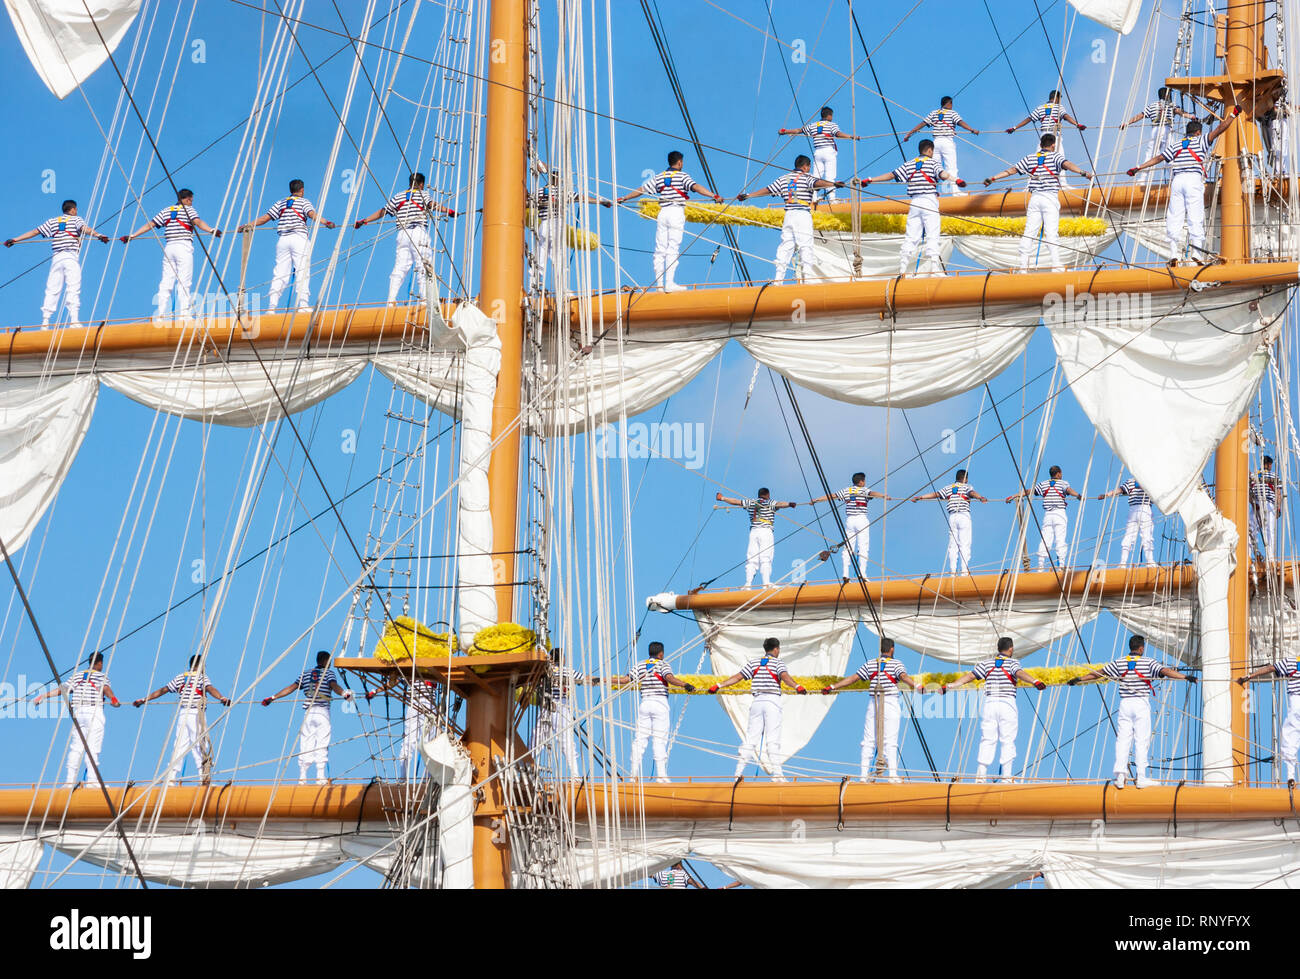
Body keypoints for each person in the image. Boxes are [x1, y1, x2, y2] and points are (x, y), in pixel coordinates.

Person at [1069, 635, 1195, 788]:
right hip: (1140, 703)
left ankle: (1120, 777)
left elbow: (1098, 673)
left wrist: (1079, 679)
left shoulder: (1119, 662)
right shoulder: (1148, 662)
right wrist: (1185, 677)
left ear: (1131, 647)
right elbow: (1165, 671)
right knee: (1141, 740)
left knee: (1123, 740)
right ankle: (1141, 777)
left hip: (1125, 704)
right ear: (1141, 648)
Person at [1127, 108, 1241, 264]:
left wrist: (1139, 167)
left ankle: (1174, 252)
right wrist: (1233, 114)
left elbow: (1159, 158)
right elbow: (1220, 129)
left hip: (1177, 181)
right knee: (1195, 216)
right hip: (1193, 180)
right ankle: (1196, 252)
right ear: (1198, 132)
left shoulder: (1176, 145)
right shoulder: (1202, 140)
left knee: (1175, 216)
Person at [613, 150, 723, 293]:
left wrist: (625, 198)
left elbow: (642, 189)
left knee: (660, 249)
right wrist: (713, 195)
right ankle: (669, 283)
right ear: (679, 162)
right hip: (676, 212)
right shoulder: (682, 176)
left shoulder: (660, 177)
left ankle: (659, 285)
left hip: (662, 213)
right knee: (673, 247)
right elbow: (695, 187)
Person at [983, 134, 1093, 272]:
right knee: (1051, 232)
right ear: (1053, 145)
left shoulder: (1029, 158)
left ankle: (1023, 267)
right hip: (1049, 198)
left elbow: (1011, 170)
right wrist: (1083, 173)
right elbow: (1068, 165)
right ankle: (1056, 265)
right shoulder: (1056, 156)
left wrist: (993, 178)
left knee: (1029, 232)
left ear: (1041, 145)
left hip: (1035, 199)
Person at [943, 637, 1046, 783]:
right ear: (1011, 648)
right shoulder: (1013, 663)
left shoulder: (986, 664)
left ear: (998, 648)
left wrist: (952, 685)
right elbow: (1019, 673)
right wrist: (1035, 681)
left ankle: (980, 776)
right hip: (1007, 703)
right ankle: (1006, 776)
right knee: (1007, 739)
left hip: (990, 704)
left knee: (987, 738)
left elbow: (971, 676)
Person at [859, 140, 964, 276]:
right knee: (932, 233)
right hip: (929, 200)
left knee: (911, 236)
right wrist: (956, 180)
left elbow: (891, 175)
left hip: (914, 203)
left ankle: (902, 269)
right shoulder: (933, 163)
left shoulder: (909, 164)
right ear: (930, 151)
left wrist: (871, 179)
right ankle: (934, 268)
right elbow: (942, 174)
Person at [822, 637, 920, 782]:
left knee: (868, 739)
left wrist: (832, 687)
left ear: (880, 649)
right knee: (890, 739)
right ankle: (892, 775)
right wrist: (917, 686)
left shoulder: (871, 664)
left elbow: (853, 678)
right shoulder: (896, 663)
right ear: (892, 649)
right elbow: (903, 676)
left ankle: (863, 775)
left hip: (874, 702)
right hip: (890, 701)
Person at [709, 637, 807, 782]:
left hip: (757, 702)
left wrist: (719, 685)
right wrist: (797, 686)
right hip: (772, 701)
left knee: (750, 739)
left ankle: (737, 773)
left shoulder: (754, 663)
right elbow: (784, 677)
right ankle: (777, 774)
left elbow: (738, 677)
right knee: (772, 740)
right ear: (776, 649)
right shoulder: (778, 662)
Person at [737, 156, 844, 283]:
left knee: (786, 245)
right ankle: (808, 278)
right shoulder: (807, 177)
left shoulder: (784, 179)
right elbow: (818, 183)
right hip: (802, 214)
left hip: (788, 215)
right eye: (809, 167)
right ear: (805, 167)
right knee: (806, 245)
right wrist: (833, 184)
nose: (809, 169)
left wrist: (749, 195)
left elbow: (768, 190)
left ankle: (778, 279)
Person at [3, 200, 109, 328]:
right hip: (70, 257)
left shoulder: (52, 221)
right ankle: (74, 320)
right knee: (73, 286)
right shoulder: (76, 219)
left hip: (57, 258)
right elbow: (84, 229)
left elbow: (35, 232)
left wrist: (15, 240)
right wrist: (99, 235)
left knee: (52, 288)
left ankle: (45, 322)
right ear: (73, 210)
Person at [354, 171, 455, 305]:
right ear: (421, 184)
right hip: (418, 232)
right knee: (423, 265)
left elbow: (382, 212)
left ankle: (391, 300)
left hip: (402, 235)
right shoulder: (422, 193)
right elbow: (432, 205)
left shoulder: (398, 196)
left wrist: (364, 220)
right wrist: (449, 211)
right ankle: (424, 299)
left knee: (400, 267)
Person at [120, 189, 222, 319]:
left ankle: (161, 313)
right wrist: (211, 230)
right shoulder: (188, 210)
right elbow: (198, 222)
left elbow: (150, 225)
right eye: (191, 200)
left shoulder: (167, 211)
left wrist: (132, 235)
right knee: (184, 281)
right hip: (183, 246)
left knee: (166, 281)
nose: (191, 203)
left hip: (169, 248)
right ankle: (184, 314)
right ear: (188, 199)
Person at [238, 180, 335, 312]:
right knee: (302, 271)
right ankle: (302, 304)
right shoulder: (304, 202)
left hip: (283, 240)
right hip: (299, 238)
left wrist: (248, 224)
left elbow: (264, 218)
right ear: (302, 190)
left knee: (279, 273)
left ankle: (271, 307)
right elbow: (312, 215)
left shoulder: (281, 203)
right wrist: (326, 222)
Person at [133, 655, 231, 783]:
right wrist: (222, 698)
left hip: (183, 714)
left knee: (179, 745)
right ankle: (203, 775)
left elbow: (164, 690)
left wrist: (145, 699)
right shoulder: (202, 677)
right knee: (199, 744)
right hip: (196, 714)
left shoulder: (181, 677)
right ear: (200, 665)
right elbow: (210, 689)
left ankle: (171, 776)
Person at [262, 650, 354, 785]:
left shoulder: (305, 674)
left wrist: (273, 697)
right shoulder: (328, 673)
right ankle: (320, 776)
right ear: (325, 661)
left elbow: (291, 688)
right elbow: (334, 686)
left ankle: (302, 776)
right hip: (322, 712)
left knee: (306, 743)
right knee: (322, 743)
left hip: (308, 713)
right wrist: (345, 694)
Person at [606, 641, 694, 782]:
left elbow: (624, 680)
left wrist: (604, 680)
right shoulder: (663, 664)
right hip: (660, 704)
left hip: (645, 704)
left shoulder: (640, 665)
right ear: (661, 654)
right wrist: (685, 685)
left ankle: (633, 774)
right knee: (659, 740)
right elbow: (669, 678)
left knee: (640, 739)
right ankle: (661, 775)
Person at [33, 653, 120, 787]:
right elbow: (106, 689)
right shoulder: (101, 676)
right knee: (92, 748)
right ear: (100, 663)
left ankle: (69, 781)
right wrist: (114, 700)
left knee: (76, 747)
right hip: (94, 711)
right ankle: (91, 781)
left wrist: (44, 696)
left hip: (78, 713)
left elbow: (63, 689)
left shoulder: (77, 675)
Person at [808, 472, 890, 582]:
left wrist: (817, 500)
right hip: (861, 519)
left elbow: (832, 496)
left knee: (848, 547)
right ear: (861, 482)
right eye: (864, 481)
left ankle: (845, 573)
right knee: (863, 547)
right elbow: (872, 493)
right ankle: (862, 573)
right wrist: (884, 496)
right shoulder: (864, 490)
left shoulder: (847, 491)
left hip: (850, 521)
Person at [365, 671, 442, 782]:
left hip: (421, 704)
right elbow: (395, 681)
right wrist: (376, 691)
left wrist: (375, 691)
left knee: (423, 743)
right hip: (419, 704)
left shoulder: (421, 667)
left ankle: (416, 778)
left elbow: (394, 681)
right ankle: (413, 778)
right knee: (421, 743)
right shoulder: (416, 668)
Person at [530, 647, 593, 781]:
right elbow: (584, 679)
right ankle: (575, 775)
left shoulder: (545, 671)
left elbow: (535, 685)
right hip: (562, 707)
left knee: (536, 741)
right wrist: (600, 680)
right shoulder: (567, 671)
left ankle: (525, 767)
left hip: (546, 706)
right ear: (562, 659)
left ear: (551, 659)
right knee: (567, 742)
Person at [1005, 465, 1084, 571]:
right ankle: (1061, 565)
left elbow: (1029, 491)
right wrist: (1078, 496)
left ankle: (1041, 566)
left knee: (1045, 540)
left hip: (1048, 515)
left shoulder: (1043, 484)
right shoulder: (1063, 483)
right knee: (1060, 539)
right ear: (1059, 473)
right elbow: (1069, 490)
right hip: (1059, 513)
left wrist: (1015, 495)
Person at [1236, 656, 1300, 786]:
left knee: (1289, 738)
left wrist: (1249, 676)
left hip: (1296, 701)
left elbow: (1271, 668)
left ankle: (1290, 775)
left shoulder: (1292, 661)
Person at [715, 489, 797, 589]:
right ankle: (766, 583)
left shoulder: (751, 502)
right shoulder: (770, 502)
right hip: (766, 531)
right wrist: (789, 504)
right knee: (766, 557)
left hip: (754, 532)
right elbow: (780, 504)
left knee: (751, 558)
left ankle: (748, 584)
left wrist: (722, 498)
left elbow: (736, 502)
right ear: (768, 495)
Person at [911, 469, 988, 575]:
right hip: (963, 515)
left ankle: (952, 570)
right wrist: (980, 497)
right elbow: (972, 493)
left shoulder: (949, 488)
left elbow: (936, 494)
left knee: (953, 544)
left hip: (952, 517)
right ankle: (964, 571)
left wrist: (921, 497)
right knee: (965, 543)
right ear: (965, 479)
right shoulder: (967, 486)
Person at [777, 106, 861, 202]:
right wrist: (851, 137)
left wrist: (786, 131)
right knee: (830, 176)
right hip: (828, 151)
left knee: (816, 176)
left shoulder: (813, 125)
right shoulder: (831, 125)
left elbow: (798, 130)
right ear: (829, 116)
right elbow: (838, 134)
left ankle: (813, 198)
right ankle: (832, 199)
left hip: (818, 153)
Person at [903, 97, 980, 196]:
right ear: (949, 104)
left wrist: (910, 133)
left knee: (935, 168)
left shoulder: (933, 113)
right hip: (947, 142)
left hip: (935, 143)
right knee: (951, 167)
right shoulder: (952, 113)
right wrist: (972, 130)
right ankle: (955, 191)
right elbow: (960, 122)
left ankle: (932, 191)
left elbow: (923, 123)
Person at [1005, 89, 1087, 162]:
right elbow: (1066, 116)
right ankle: (1060, 176)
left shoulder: (1040, 108)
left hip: (1044, 135)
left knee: (1039, 156)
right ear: (1057, 98)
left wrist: (1014, 128)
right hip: (1055, 135)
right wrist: (1077, 124)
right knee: (1060, 159)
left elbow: (1028, 119)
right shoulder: (1059, 107)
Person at [1118, 87, 1195, 163]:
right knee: (1169, 153)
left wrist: (1127, 123)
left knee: (1150, 153)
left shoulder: (1151, 106)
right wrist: (1191, 116)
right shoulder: (1172, 105)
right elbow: (1180, 112)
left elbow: (1139, 116)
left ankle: (1143, 174)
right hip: (1166, 129)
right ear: (1167, 95)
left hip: (1155, 130)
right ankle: (1171, 172)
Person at [1096, 476, 1157, 565]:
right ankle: (1150, 561)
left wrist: (1107, 494)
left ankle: (1123, 562)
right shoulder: (1150, 479)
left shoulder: (1131, 481)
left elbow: (1120, 490)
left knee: (1129, 536)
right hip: (1145, 509)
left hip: (1133, 510)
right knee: (1147, 535)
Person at [1249, 454, 1283, 561]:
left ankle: (1248, 555)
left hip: (1256, 504)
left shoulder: (1254, 475)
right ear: (1269, 465)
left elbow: (1249, 492)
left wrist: (1253, 504)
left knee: (1251, 530)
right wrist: (1278, 508)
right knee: (1269, 531)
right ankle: (1270, 557)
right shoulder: (1274, 476)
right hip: (1269, 504)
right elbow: (1278, 493)